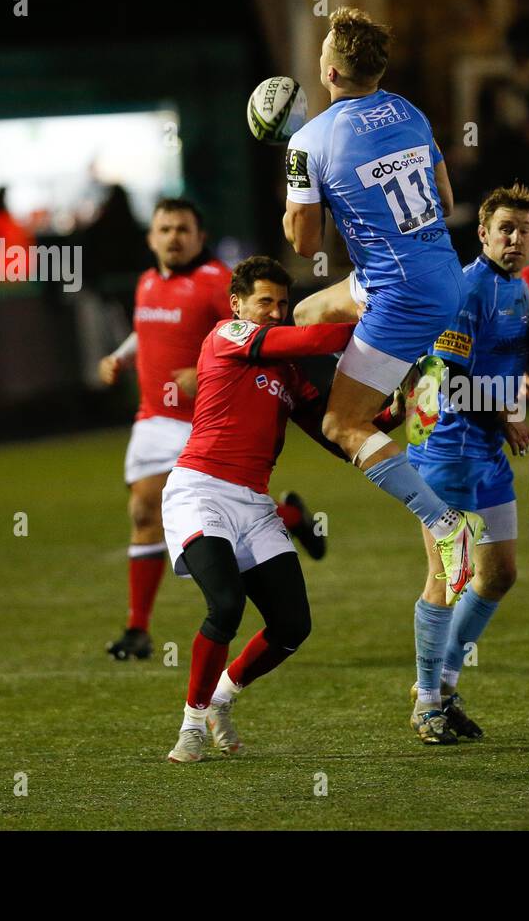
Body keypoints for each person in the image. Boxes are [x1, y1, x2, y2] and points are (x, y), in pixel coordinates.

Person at [163, 257, 402, 762]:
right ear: (238, 304)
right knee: (224, 606)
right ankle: (191, 724)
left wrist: (389, 418)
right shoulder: (226, 335)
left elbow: (334, 433)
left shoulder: (287, 374)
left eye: (282, 304)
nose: (275, 312)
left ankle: (222, 700)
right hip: (200, 490)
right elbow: (313, 339)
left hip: (253, 502)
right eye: (264, 302)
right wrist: (383, 322)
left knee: (292, 625)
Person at [282, 6, 483, 603]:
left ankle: (447, 525)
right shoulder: (409, 111)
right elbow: (444, 199)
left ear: (332, 73)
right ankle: (389, 392)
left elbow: (305, 242)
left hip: (401, 292)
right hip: (438, 269)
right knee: (305, 316)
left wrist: (294, 190)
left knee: (340, 422)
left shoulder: (308, 142)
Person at [100, 200, 323, 662]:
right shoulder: (146, 283)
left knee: (224, 508)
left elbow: (252, 335)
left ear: (200, 237)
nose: (173, 237)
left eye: (183, 228)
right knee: (143, 510)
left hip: (202, 419)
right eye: (165, 228)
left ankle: (290, 520)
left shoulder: (217, 284)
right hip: (151, 415)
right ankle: (137, 628)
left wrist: (205, 370)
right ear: (151, 237)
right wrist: (121, 357)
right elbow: (145, 329)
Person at [405, 184, 529, 744]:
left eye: (523, 230)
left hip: (482, 450)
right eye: (504, 228)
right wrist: (507, 413)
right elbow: (452, 381)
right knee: (449, 574)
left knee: (500, 573)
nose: (514, 239)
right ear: (482, 234)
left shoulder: (519, 290)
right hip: (446, 447)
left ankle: (447, 683)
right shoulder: (468, 289)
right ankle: (427, 699)